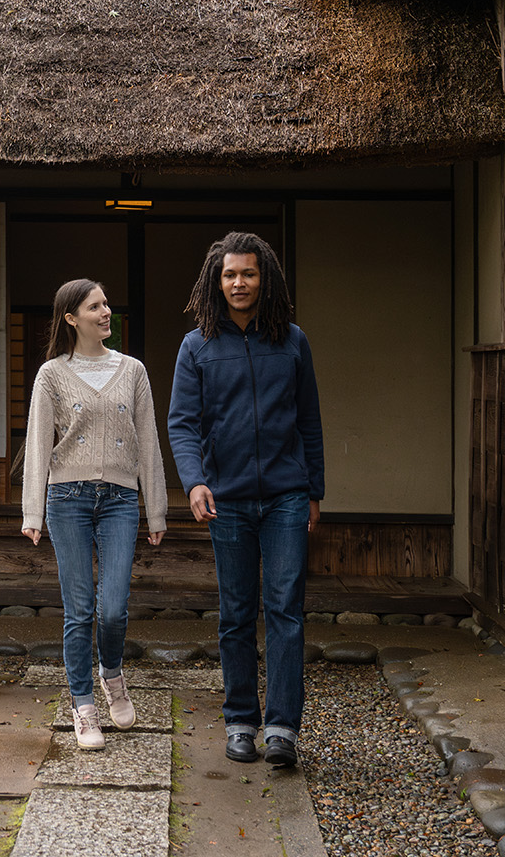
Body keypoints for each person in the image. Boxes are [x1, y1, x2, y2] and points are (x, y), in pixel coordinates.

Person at [166, 232, 324, 770]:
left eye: (249, 274)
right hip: (226, 500)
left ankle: (282, 729)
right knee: (236, 614)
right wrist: (194, 481)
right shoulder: (197, 347)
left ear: (266, 279)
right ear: (217, 280)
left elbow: (309, 422)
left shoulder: (293, 342)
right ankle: (239, 722)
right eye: (230, 275)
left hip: (285, 497)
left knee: (285, 611)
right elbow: (182, 424)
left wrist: (313, 490)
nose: (239, 283)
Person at [20, 278, 168, 751]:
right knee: (79, 608)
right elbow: (40, 443)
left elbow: (149, 442)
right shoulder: (52, 375)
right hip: (68, 499)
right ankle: (83, 705)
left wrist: (157, 511)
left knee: (114, 607)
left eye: (106, 305)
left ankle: (112, 675)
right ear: (71, 318)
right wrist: (33, 512)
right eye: (94, 306)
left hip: (121, 500)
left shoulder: (134, 371)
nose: (106, 312)